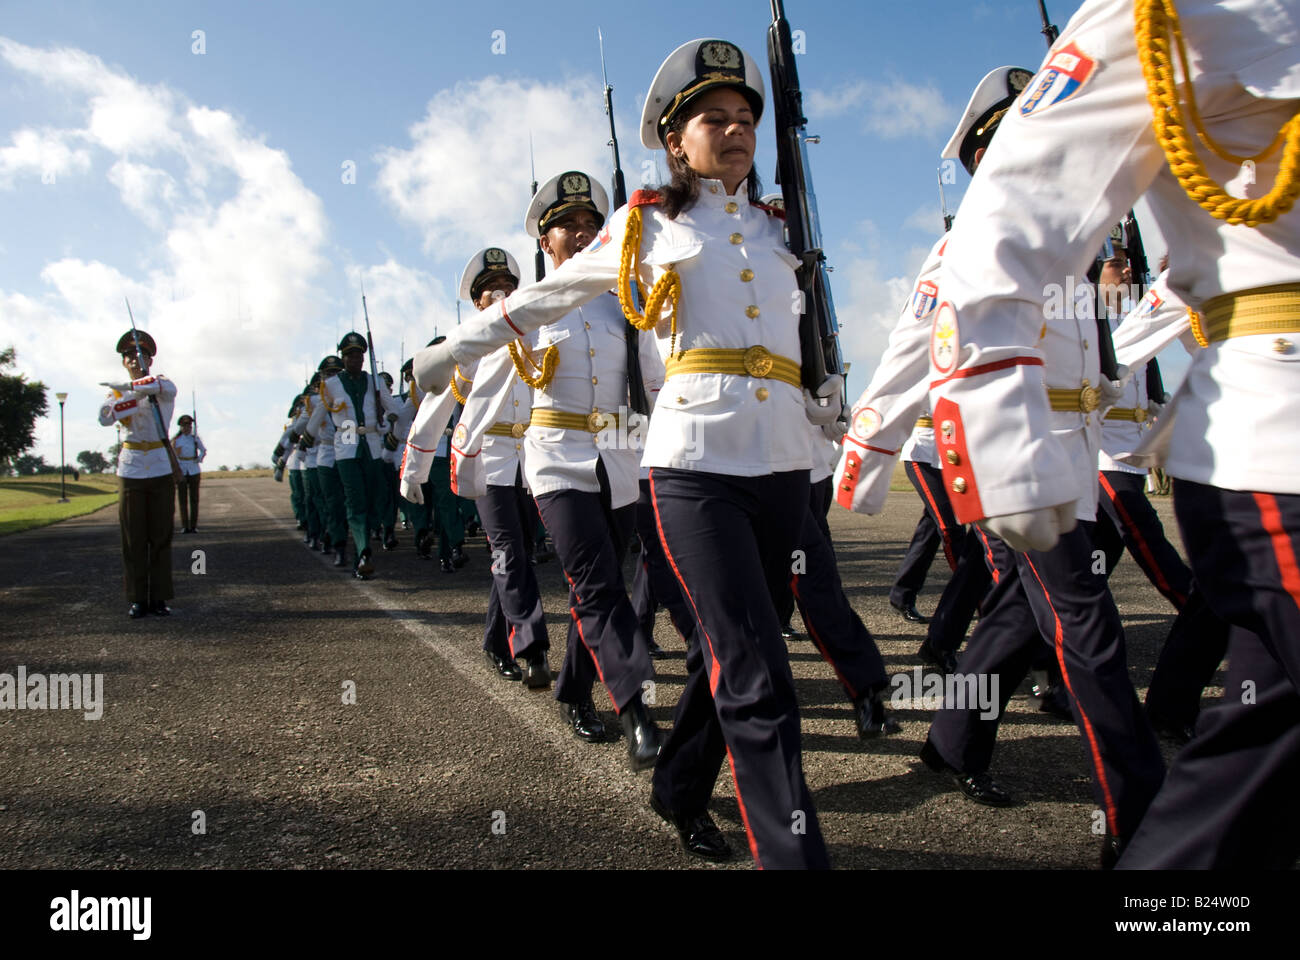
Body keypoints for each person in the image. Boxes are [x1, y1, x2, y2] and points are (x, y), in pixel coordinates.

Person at [415, 38, 843, 869]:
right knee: (756, 669)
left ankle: (680, 785)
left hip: (782, 461)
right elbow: (544, 299)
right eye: (712, 119)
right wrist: (450, 354)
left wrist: (833, 412)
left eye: (745, 117)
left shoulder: (777, 229)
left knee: (743, 649)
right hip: (693, 465)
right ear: (674, 141)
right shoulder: (647, 223)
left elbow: (794, 343)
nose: (734, 129)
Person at [919, 0, 1300, 869]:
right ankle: (1131, 809)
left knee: (1021, 626)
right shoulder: (972, 248)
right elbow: (923, 346)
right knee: (1088, 635)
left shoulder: (1091, 274)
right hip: (1044, 460)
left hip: (1091, 458)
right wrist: (875, 438)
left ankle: (953, 731)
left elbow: (1115, 359)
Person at [306, 332, 402, 579]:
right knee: (355, 500)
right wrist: (306, 435)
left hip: (371, 443)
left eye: (358, 354)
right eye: (348, 355)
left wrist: (391, 422)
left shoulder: (375, 383)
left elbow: (396, 410)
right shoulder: (332, 385)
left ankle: (367, 537)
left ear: (364, 357)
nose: (354, 359)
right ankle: (362, 552)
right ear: (343, 357)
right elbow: (318, 413)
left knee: (376, 498)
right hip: (346, 445)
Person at [98, 329, 178, 618]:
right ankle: (137, 598)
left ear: (151, 360)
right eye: (130, 355)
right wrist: (126, 393)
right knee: (133, 537)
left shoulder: (162, 383)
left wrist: (135, 386)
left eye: (141, 354)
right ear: (123, 362)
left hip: (159, 464)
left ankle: (159, 598)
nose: (136, 358)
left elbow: (165, 390)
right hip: (131, 466)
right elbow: (105, 417)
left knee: (160, 536)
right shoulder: (117, 392)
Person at [172, 414, 206, 533]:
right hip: (182, 470)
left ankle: (193, 525)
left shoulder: (195, 439)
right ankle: (185, 526)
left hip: (194, 469)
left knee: (194, 499)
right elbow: (173, 456)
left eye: (189, 425)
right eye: (184, 425)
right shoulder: (176, 440)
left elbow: (203, 450)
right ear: (180, 427)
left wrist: (199, 458)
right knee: (182, 499)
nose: (187, 428)